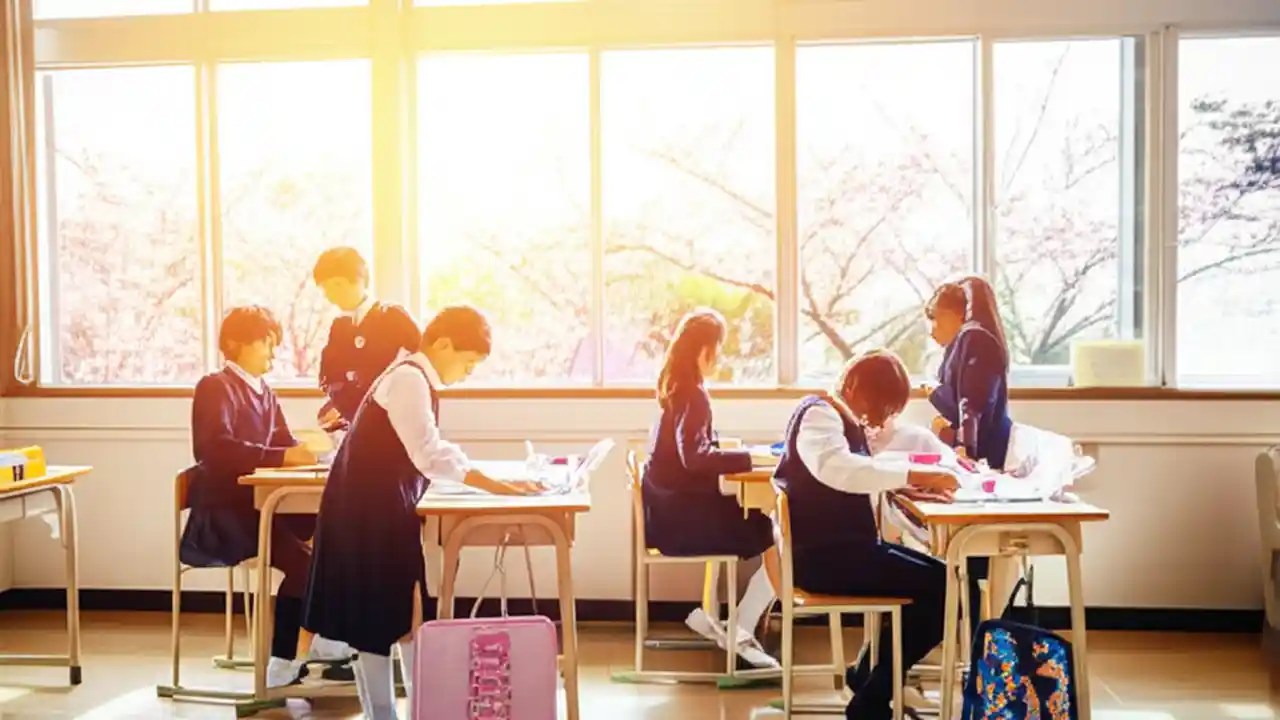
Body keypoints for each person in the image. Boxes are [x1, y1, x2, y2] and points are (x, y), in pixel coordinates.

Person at [303, 305, 539, 720]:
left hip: (378, 509)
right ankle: (385, 713)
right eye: (466, 363)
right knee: (377, 620)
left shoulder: (413, 376)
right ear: (443, 344)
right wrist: (492, 483)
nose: (466, 374)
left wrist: (482, 477)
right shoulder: (409, 379)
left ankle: (421, 706)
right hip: (367, 514)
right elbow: (428, 452)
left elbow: (428, 449)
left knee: (398, 615)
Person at [772, 350, 956, 720]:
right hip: (827, 560)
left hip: (842, 552)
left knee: (947, 578)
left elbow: (862, 468)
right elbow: (838, 469)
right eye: (881, 405)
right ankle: (872, 697)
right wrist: (911, 475)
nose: (880, 417)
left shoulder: (838, 417)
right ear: (857, 388)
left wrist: (905, 487)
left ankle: (867, 675)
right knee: (949, 589)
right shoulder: (819, 414)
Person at [183, 305, 349, 688]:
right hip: (227, 514)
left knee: (335, 541)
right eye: (265, 344)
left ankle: (322, 638)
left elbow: (284, 443)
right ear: (233, 344)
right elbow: (214, 449)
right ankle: (281, 661)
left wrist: (320, 451)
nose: (272, 354)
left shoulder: (265, 392)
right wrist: (281, 455)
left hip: (265, 509)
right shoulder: (215, 386)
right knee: (305, 565)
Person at [642, 309, 780, 668]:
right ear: (706, 349)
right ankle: (742, 627)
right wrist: (746, 458)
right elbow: (695, 458)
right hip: (682, 524)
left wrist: (731, 453)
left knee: (765, 525)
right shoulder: (694, 395)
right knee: (778, 535)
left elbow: (692, 452)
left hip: (668, 517)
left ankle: (730, 621)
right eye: (718, 348)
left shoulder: (675, 389)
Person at [313, 246, 421, 434]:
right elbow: (330, 377)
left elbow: (421, 365)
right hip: (355, 423)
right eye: (326, 289)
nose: (332, 295)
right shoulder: (339, 327)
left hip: (393, 421)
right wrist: (340, 407)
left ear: (361, 281)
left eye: (338, 285)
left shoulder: (393, 316)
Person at [924, 274, 1013, 470]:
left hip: (981, 455)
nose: (932, 331)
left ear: (956, 315)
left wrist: (966, 448)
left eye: (938, 319)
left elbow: (971, 405)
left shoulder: (975, 338)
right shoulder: (969, 340)